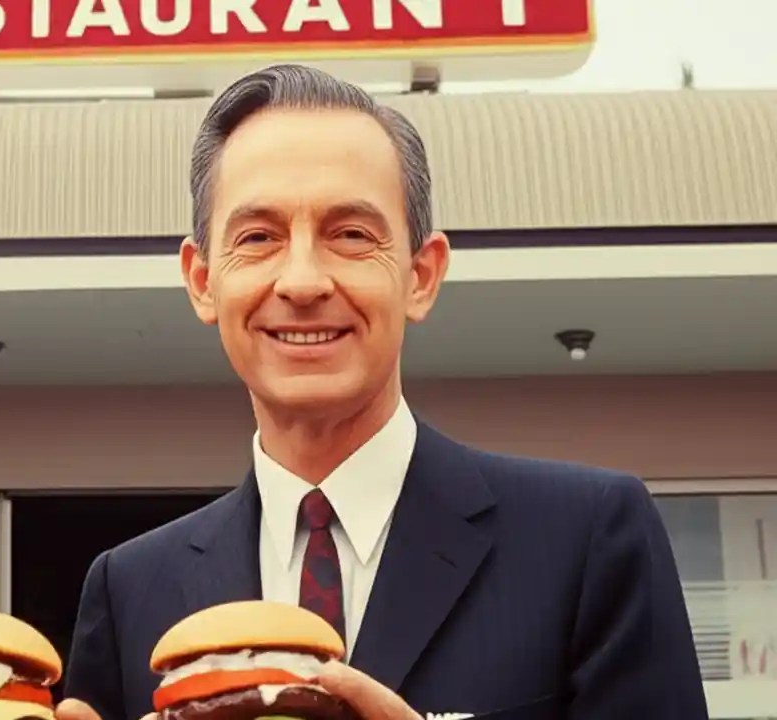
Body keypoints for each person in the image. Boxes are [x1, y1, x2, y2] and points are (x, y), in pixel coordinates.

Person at [60, 65, 708, 719]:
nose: (304, 282)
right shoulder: (129, 589)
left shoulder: (588, 538)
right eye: (258, 238)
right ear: (202, 280)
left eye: (350, 235)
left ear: (421, 275)